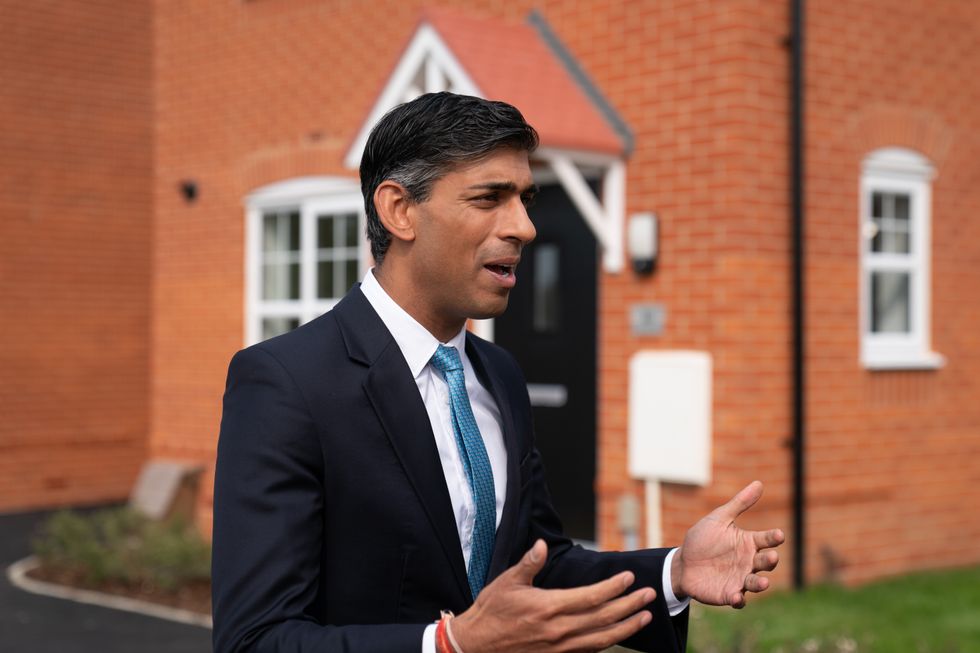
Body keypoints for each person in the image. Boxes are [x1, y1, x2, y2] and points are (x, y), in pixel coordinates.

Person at [211, 92, 784, 653]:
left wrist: (674, 573)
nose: (525, 227)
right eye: (490, 198)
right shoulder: (286, 384)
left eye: (525, 199)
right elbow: (255, 639)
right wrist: (449, 643)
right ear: (399, 210)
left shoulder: (500, 375)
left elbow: (540, 565)